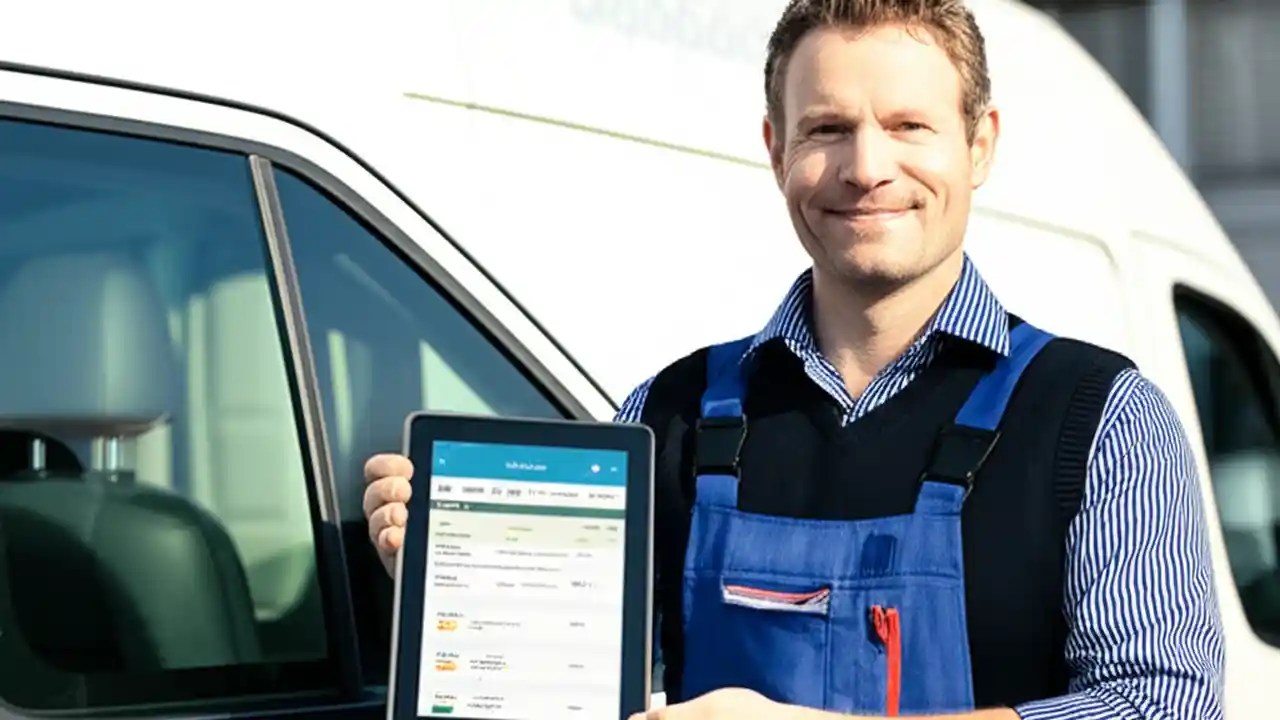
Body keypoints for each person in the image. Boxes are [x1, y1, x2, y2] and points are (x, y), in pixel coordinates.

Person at [362, 0, 1225, 717]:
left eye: (908, 125)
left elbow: (1160, 705)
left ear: (980, 144)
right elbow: (583, 691)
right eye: (828, 128)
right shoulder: (669, 413)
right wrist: (469, 591)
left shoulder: (1100, 421)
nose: (866, 167)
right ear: (776, 149)